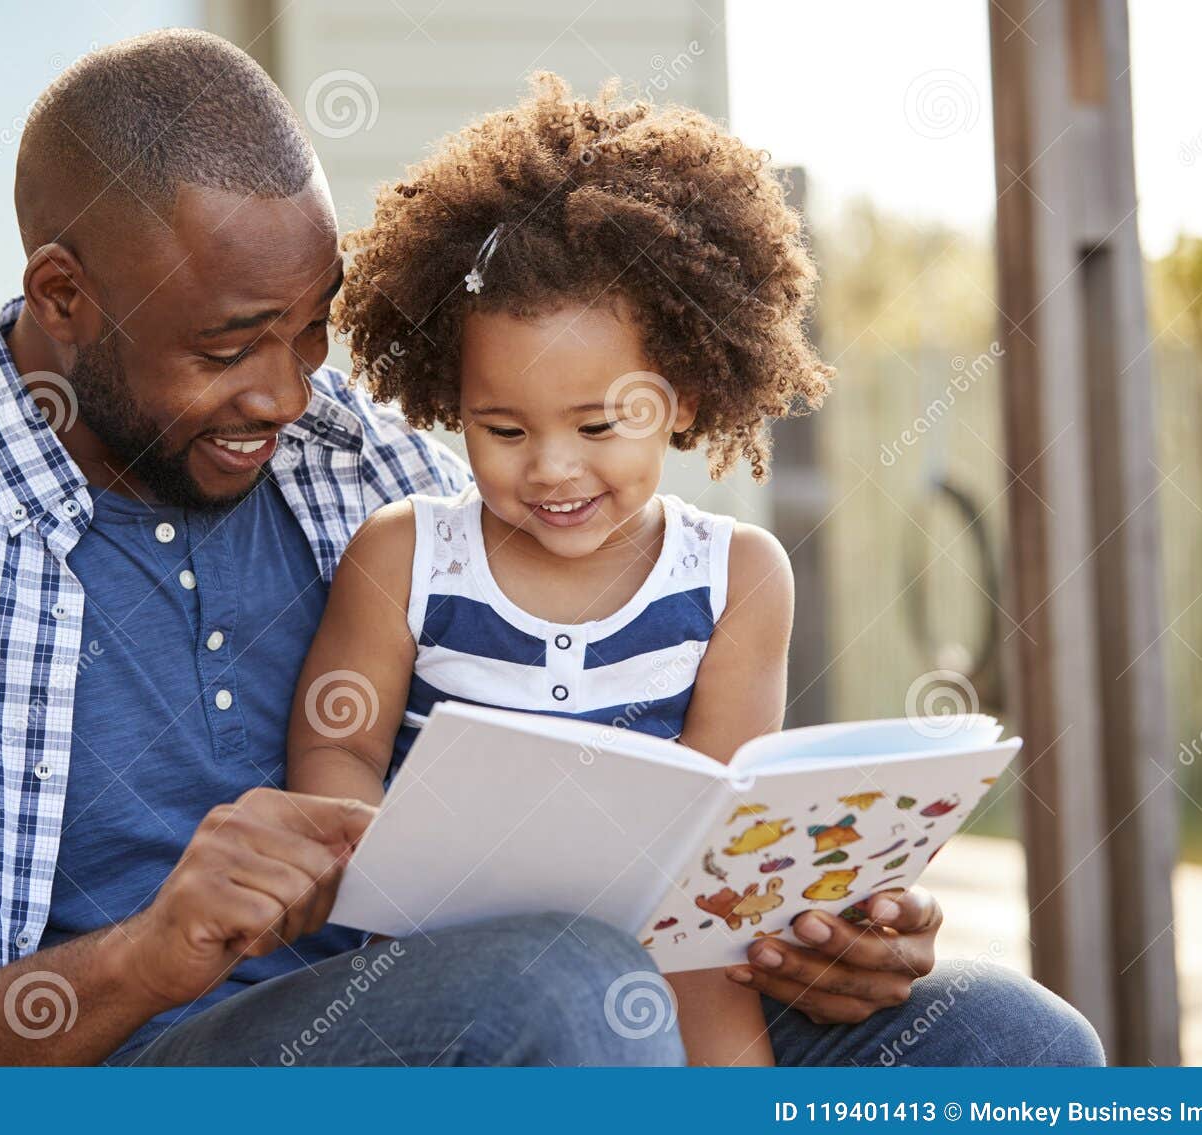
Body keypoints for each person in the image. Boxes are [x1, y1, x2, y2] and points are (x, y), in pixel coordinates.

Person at [0, 32, 1101, 1069]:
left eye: (312, 329)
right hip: (143, 1064)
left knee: (1007, 1042)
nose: (292, 392)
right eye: (230, 346)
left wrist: (799, 907)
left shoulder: (360, 454)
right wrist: (140, 957)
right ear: (62, 296)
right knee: (562, 992)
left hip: (492, 1004)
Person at [287, 75, 832, 1066]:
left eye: (596, 424)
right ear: (452, 403)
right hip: (440, 947)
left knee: (698, 971)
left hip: (658, 942)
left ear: (684, 394)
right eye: (503, 428)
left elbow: (715, 819)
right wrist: (379, 845)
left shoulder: (737, 578)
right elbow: (337, 749)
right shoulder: (406, 555)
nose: (550, 468)